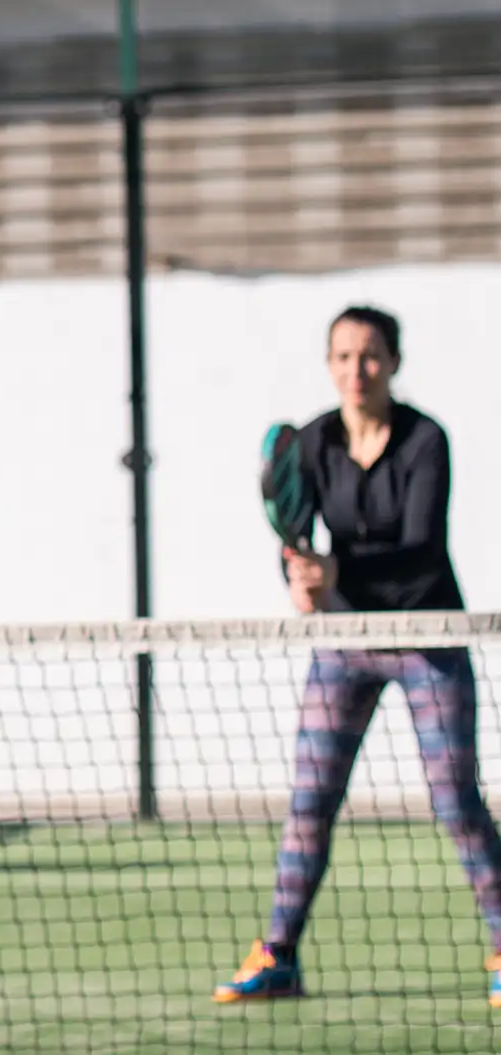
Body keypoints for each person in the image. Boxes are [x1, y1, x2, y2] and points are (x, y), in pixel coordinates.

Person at [215, 305, 501, 1005]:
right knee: (310, 801)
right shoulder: (313, 441)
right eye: (343, 356)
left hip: (428, 639)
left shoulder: (426, 439)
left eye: (370, 355)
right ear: (329, 365)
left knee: (455, 799)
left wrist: (338, 572)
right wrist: (301, 582)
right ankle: (278, 956)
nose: (357, 370)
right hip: (343, 643)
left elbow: (421, 550)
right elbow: (301, 545)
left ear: (394, 362)